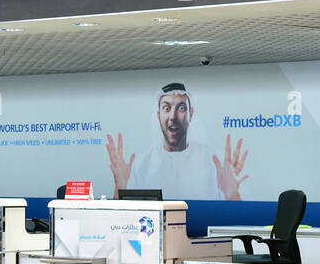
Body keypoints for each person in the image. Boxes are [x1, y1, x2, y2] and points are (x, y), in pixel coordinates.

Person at [105, 82, 249, 202]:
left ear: (191, 114)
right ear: (158, 115)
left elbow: (239, 220)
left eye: (181, 108)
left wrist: (232, 195)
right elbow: (121, 221)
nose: (173, 116)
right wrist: (120, 186)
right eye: (166, 108)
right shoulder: (142, 166)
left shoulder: (214, 162)